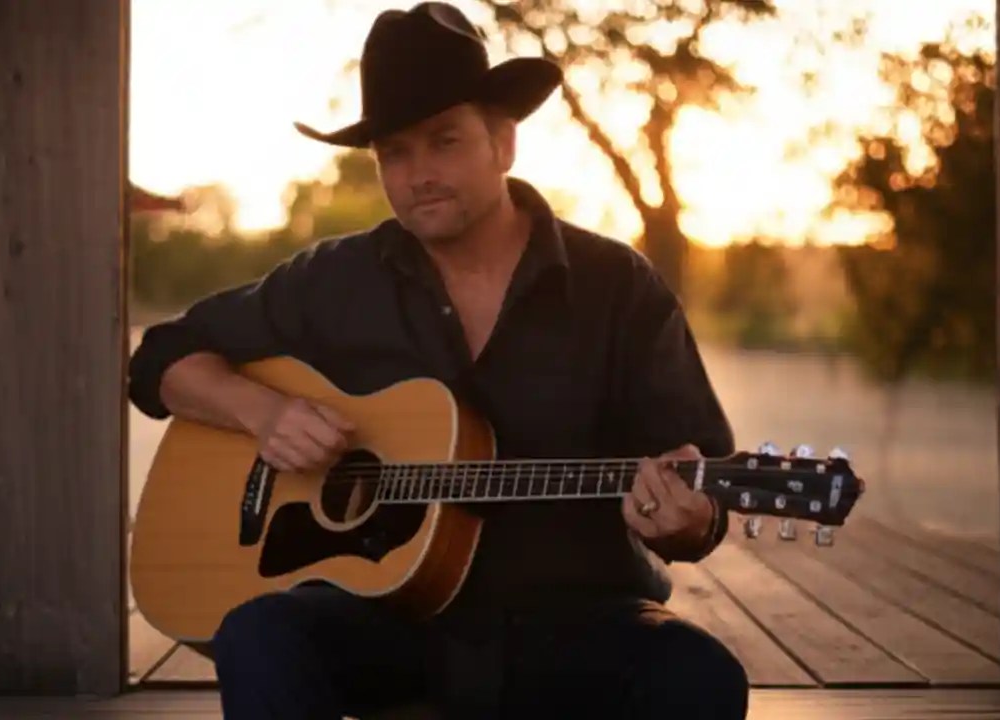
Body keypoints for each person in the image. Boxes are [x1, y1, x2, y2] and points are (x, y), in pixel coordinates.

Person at [127, 2, 748, 718]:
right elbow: (161, 358)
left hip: (573, 619)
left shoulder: (616, 287)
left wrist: (689, 521)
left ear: (503, 144)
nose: (419, 173)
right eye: (396, 152)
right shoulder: (334, 279)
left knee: (700, 678)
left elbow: (706, 476)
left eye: (444, 141)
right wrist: (264, 412)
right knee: (259, 633)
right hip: (383, 620)